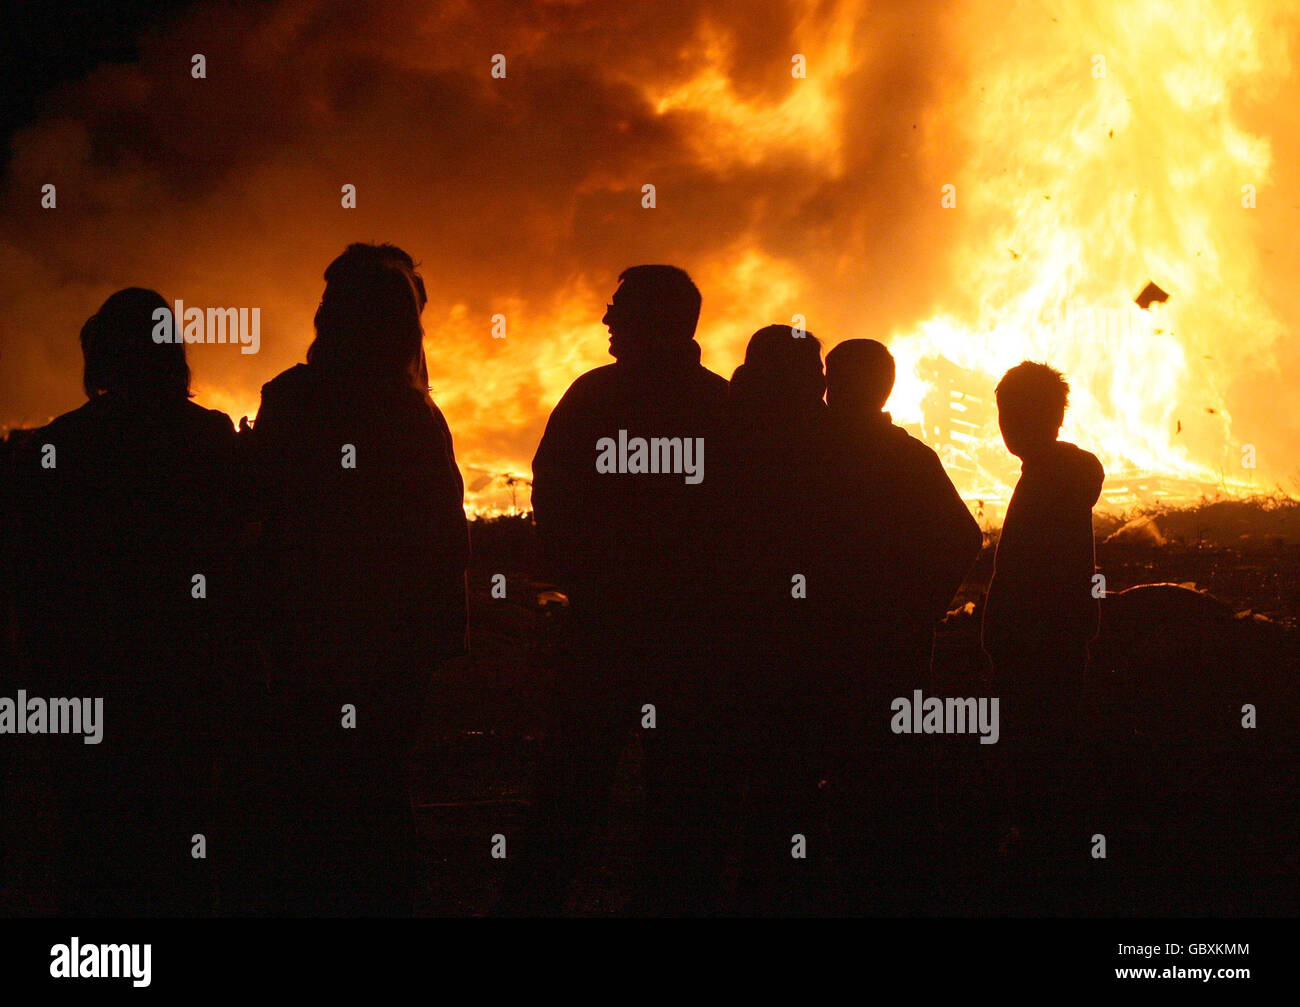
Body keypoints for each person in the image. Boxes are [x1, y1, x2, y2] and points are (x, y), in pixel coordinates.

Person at [231, 243, 468, 915]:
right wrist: (436, 636)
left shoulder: (294, 398)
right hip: (388, 646)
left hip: (306, 635)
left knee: (304, 788)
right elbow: (444, 538)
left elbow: (259, 510)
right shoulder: (416, 415)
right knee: (375, 789)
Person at [505, 265, 731, 915]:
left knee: (567, 793)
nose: (606, 319)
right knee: (684, 806)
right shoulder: (720, 407)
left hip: (605, 632)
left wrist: (586, 582)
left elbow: (554, 497)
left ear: (654, 319)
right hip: (691, 640)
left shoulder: (594, 398)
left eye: (619, 307)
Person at [9, 287, 238, 915]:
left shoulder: (61, 445)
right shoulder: (210, 438)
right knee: (184, 845)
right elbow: (235, 560)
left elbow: (34, 573)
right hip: (184, 680)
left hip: (88, 675)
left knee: (92, 845)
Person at [821, 338, 981, 912]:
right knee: (883, 770)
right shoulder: (907, 455)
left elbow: (962, 537)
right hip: (892, 645)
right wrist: (918, 607)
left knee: (836, 768)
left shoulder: (813, 452)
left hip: (831, 644)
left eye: (833, 377)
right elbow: (964, 537)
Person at [981, 360, 1104, 912]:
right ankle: (1050, 854)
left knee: (1037, 753)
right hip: (1053, 641)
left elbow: (1035, 574)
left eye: (1014, 414)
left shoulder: (1048, 482)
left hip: (1038, 645)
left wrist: (1003, 629)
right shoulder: (1054, 475)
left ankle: (1043, 862)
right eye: (1003, 414)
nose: (1006, 426)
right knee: (1050, 748)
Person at [727, 324, 835, 914]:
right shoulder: (834, 439)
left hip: (732, 637)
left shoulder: (720, 425)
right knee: (793, 781)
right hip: (807, 640)